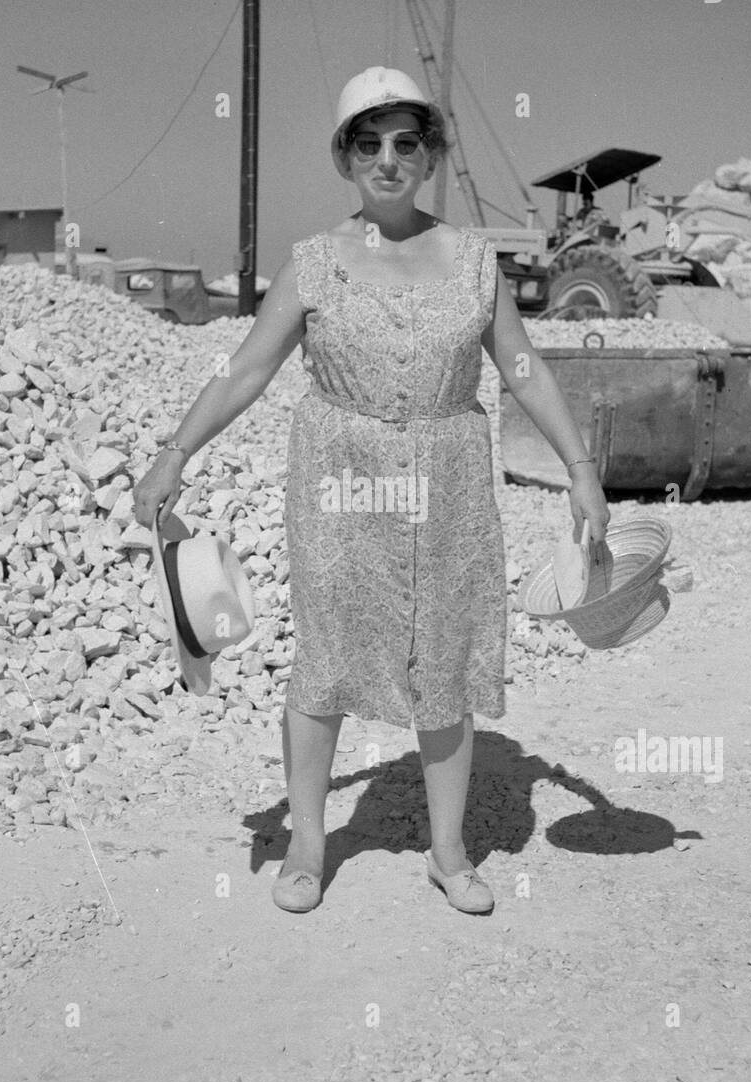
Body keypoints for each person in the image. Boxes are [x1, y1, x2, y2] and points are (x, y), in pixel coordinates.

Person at [132, 67, 609, 914]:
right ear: (345, 158)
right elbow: (245, 370)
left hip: (451, 480)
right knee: (328, 659)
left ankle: (450, 852)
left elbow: (524, 369)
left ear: (429, 157)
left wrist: (578, 469)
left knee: (447, 659)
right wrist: (174, 452)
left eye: (405, 143)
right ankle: (309, 846)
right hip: (340, 479)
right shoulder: (314, 264)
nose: (387, 160)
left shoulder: (472, 260)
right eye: (368, 143)